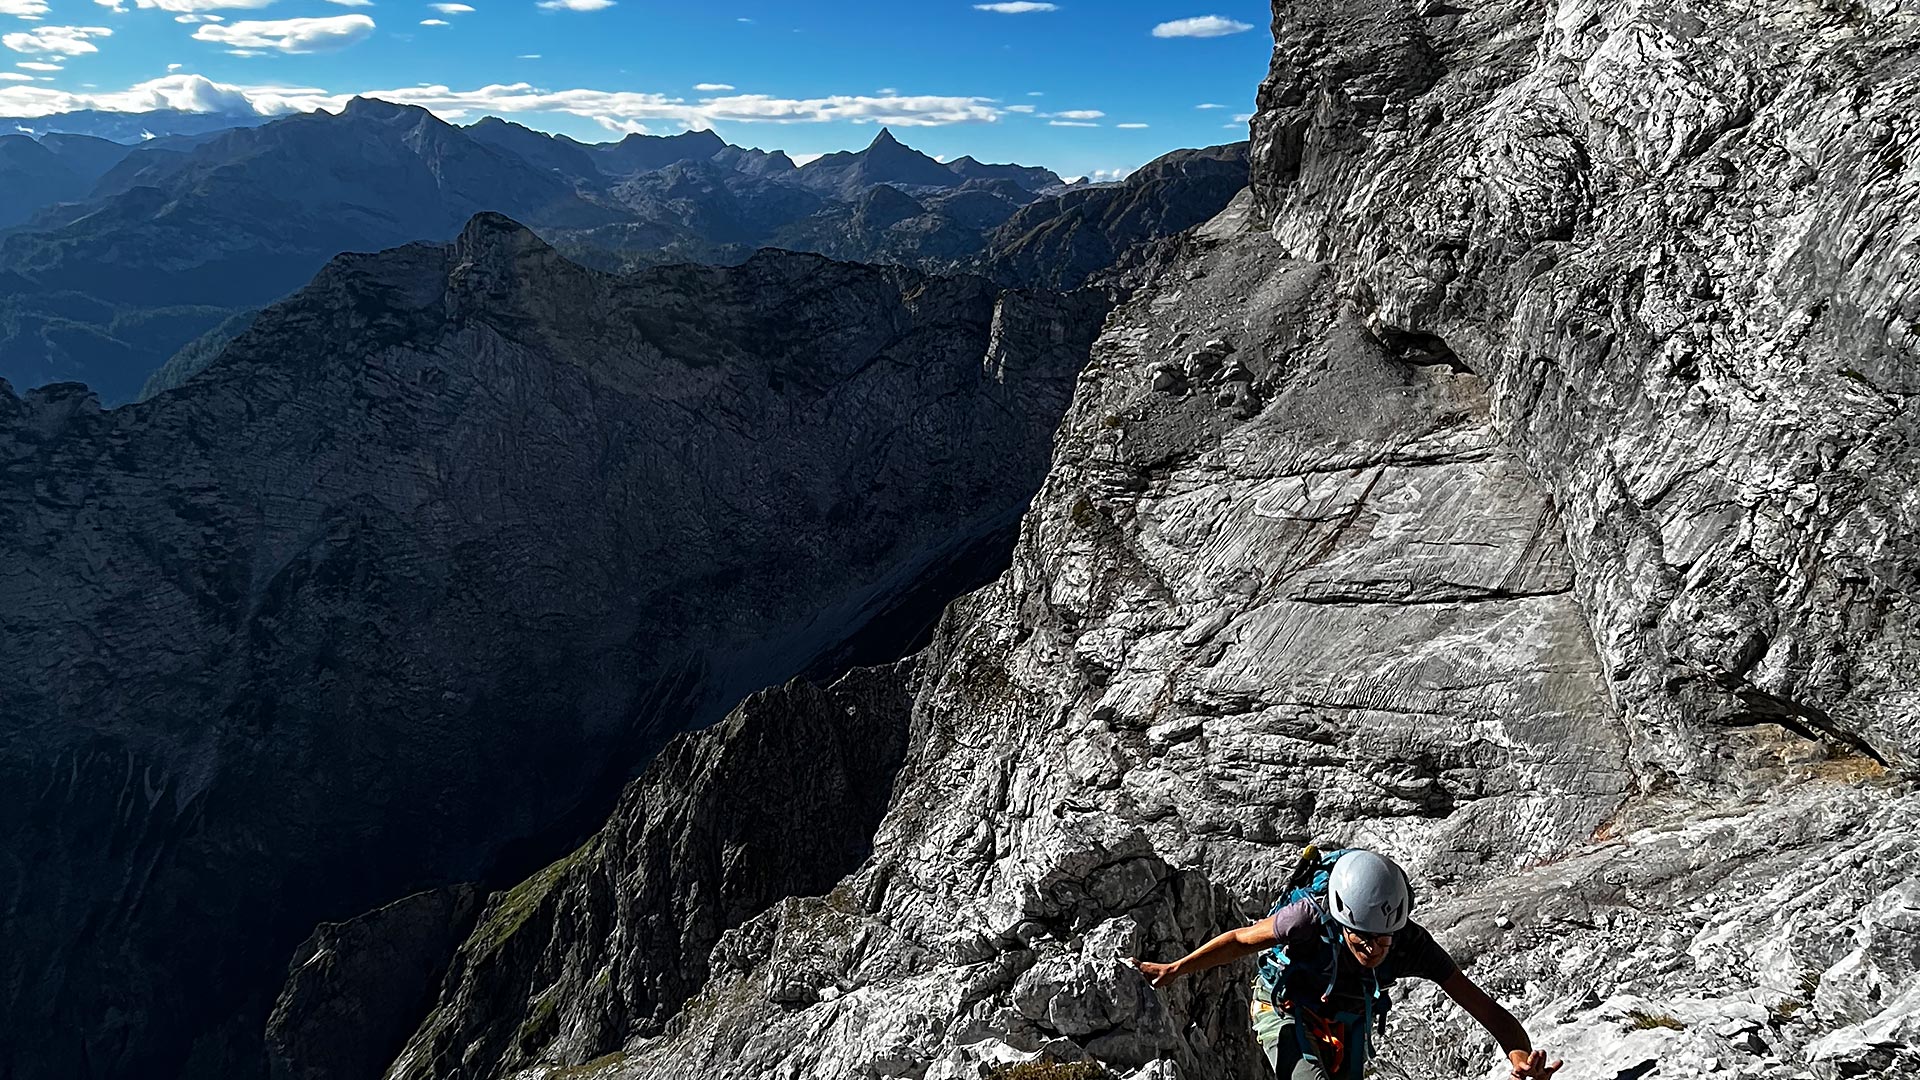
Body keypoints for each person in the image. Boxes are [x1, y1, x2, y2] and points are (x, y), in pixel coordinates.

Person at [1128, 848, 1562, 1080]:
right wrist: (1175, 969)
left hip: (1349, 1017)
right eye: (1362, 939)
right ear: (1341, 921)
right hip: (1284, 1006)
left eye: (1383, 940)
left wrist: (1518, 1052)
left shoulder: (1412, 944)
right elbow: (1241, 939)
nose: (1374, 949)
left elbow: (1482, 1007)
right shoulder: (1307, 919)